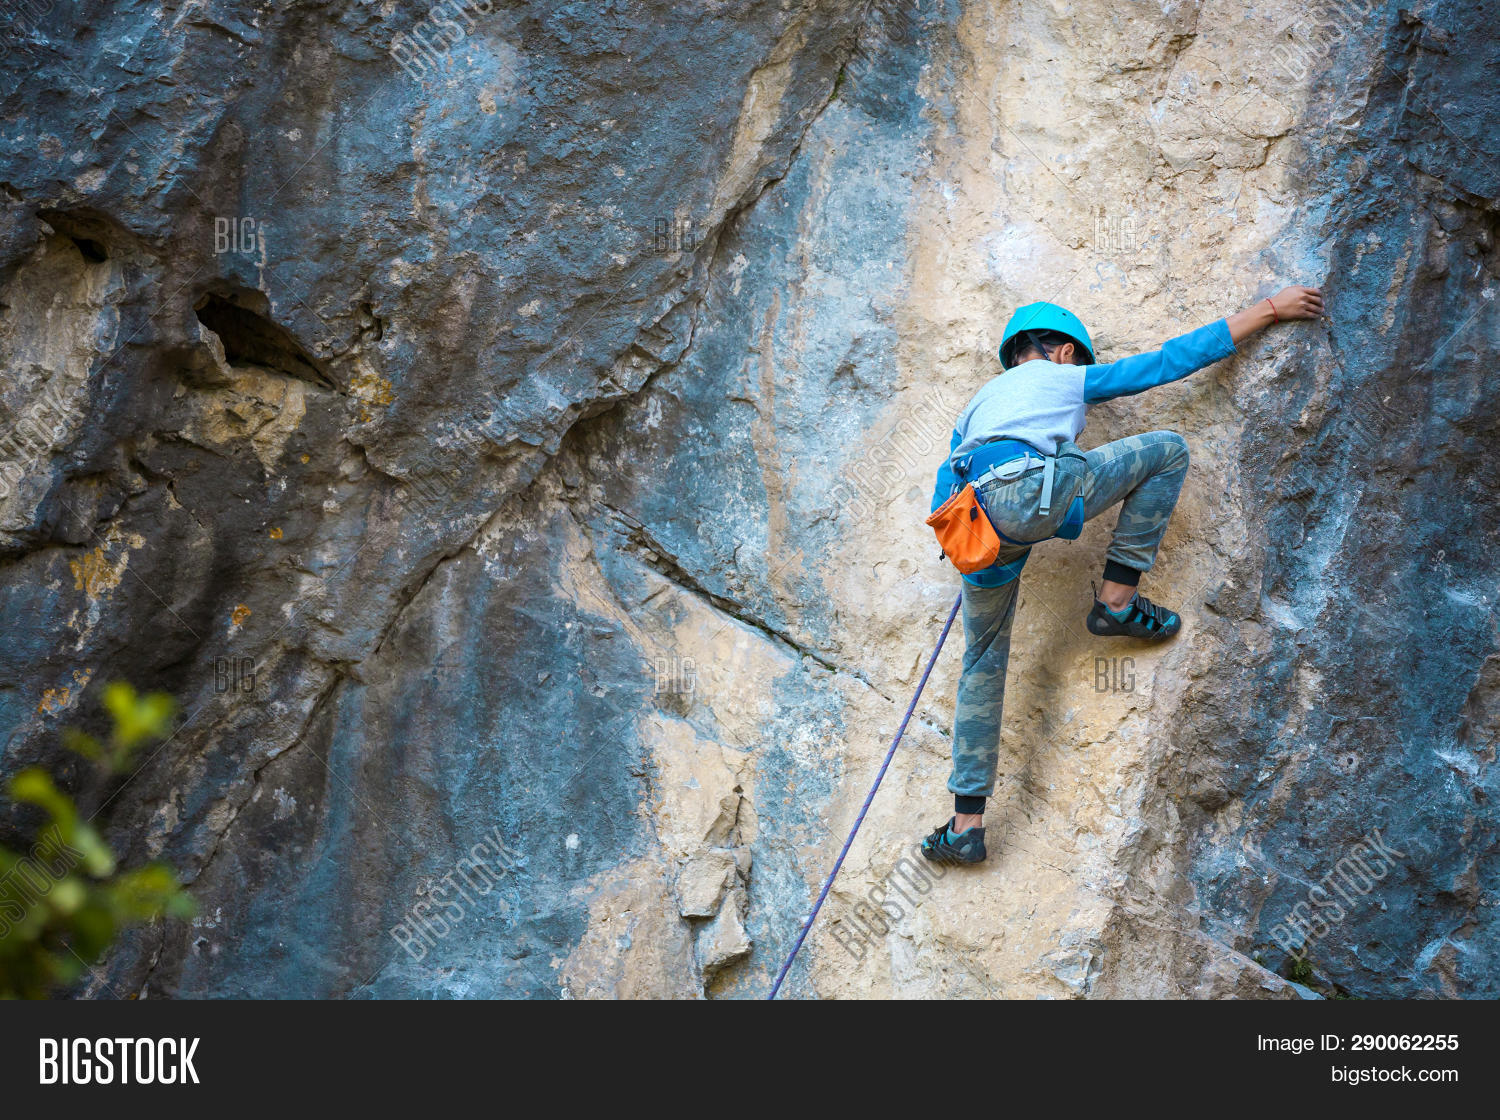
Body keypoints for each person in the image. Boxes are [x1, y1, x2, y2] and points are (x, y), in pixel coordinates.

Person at [921, 287, 1325, 864]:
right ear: (1063, 351)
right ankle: (1116, 602)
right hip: (1032, 493)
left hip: (975, 527)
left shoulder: (976, 406)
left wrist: (974, 549)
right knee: (1168, 450)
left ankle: (966, 826)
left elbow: (947, 483)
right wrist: (1269, 310)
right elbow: (1165, 363)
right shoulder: (1062, 377)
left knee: (981, 664)